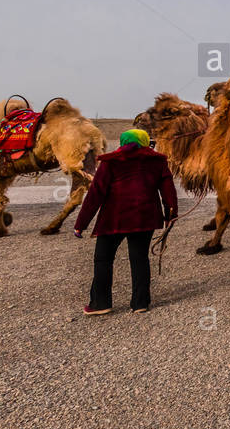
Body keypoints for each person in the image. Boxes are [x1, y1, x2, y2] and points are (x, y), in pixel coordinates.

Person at [73, 129, 178, 315]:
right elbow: (168, 188)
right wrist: (171, 214)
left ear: (123, 142)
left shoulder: (111, 162)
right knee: (139, 258)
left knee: (103, 259)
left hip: (115, 218)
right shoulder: (157, 161)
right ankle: (140, 303)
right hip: (145, 217)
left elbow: (95, 194)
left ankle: (100, 303)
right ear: (145, 141)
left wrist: (81, 224)